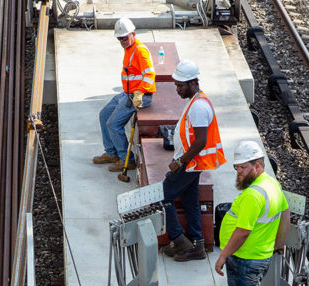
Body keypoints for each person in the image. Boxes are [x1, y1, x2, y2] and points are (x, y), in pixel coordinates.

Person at [212, 140, 290, 286]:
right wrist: (278, 245)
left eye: (243, 167)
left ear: (258, 165)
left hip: (245, 259)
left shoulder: (253, 195)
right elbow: (285, 214)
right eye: (236, 168)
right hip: (258, 256)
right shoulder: (271, 184)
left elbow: (243, 232)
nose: (239, 172)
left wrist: (223, 255)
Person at [161, 59, 226, 262]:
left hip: (189, 164)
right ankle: (197, 244)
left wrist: (179, 162)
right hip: (192, 163)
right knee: (190, 202)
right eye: (176, 85)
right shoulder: (197, 100)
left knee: (164, 195)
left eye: (180, 86)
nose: (177, 89)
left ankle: (179, 239)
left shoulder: (198, 107)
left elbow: (200, 141)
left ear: (192, 83)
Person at [93, 17, 155, 173]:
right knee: (104, 115)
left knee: (113, 124)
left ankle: (127, 160)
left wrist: (140, 93)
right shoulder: (129, 49)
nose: (122, 41)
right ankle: (111, 153)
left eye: (124, 37)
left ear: (133, 34)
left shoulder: (140, 51)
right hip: (127, 93)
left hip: (138, 95)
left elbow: (150, 74)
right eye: (119, 38)